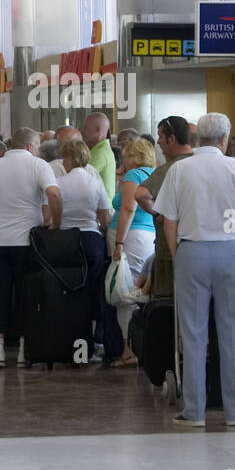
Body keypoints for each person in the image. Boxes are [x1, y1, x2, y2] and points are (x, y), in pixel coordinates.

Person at [152, 113, 235, 428]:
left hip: (192, 251)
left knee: (194, 333)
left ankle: (194, 411)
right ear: (225, 138)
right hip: (231, 253)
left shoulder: (180, 169)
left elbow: (168, 219)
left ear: (198, 138)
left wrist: (179, 254)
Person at [0, 127, 62, 368]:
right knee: (26, 294)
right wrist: (55, 223)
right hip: (27, 242)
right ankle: (25, 349)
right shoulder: (38, 165)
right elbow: (53, 195)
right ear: (31, 146)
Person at [56, 138, 113, 361]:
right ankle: (92, 343)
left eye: (64, 157)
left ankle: (70, 343)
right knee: (94, 291)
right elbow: (104, 218)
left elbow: (53, 217)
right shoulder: (95, 183)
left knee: (69, 292)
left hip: (66, 241)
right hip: (92, 240)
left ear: (70, 159)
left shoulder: (58, 183)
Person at [133, 116, 195, 302]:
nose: (158, 141)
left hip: (169, 254)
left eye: (160, 136)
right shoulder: (203, 164)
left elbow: (140, 194)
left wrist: (159, 213)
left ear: (172, 139)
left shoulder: (168, 169)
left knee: (170, 312)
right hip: (201, 249)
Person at [108, 138, 158, 364]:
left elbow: (128, 208)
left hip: (131, 238)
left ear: (132, 157)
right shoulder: (155, 174)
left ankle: (130, 351)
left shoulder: (134, 176)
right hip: (148, 236)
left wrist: (119, 243)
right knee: (141, 290)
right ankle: (142, 347)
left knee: (125, 293)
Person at [82, 112, 116, 201]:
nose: (83, 131)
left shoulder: (101, 152)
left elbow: (81, 178)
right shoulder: (99, 149)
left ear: (97, 130)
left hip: (102, 210)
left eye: (86, 128)